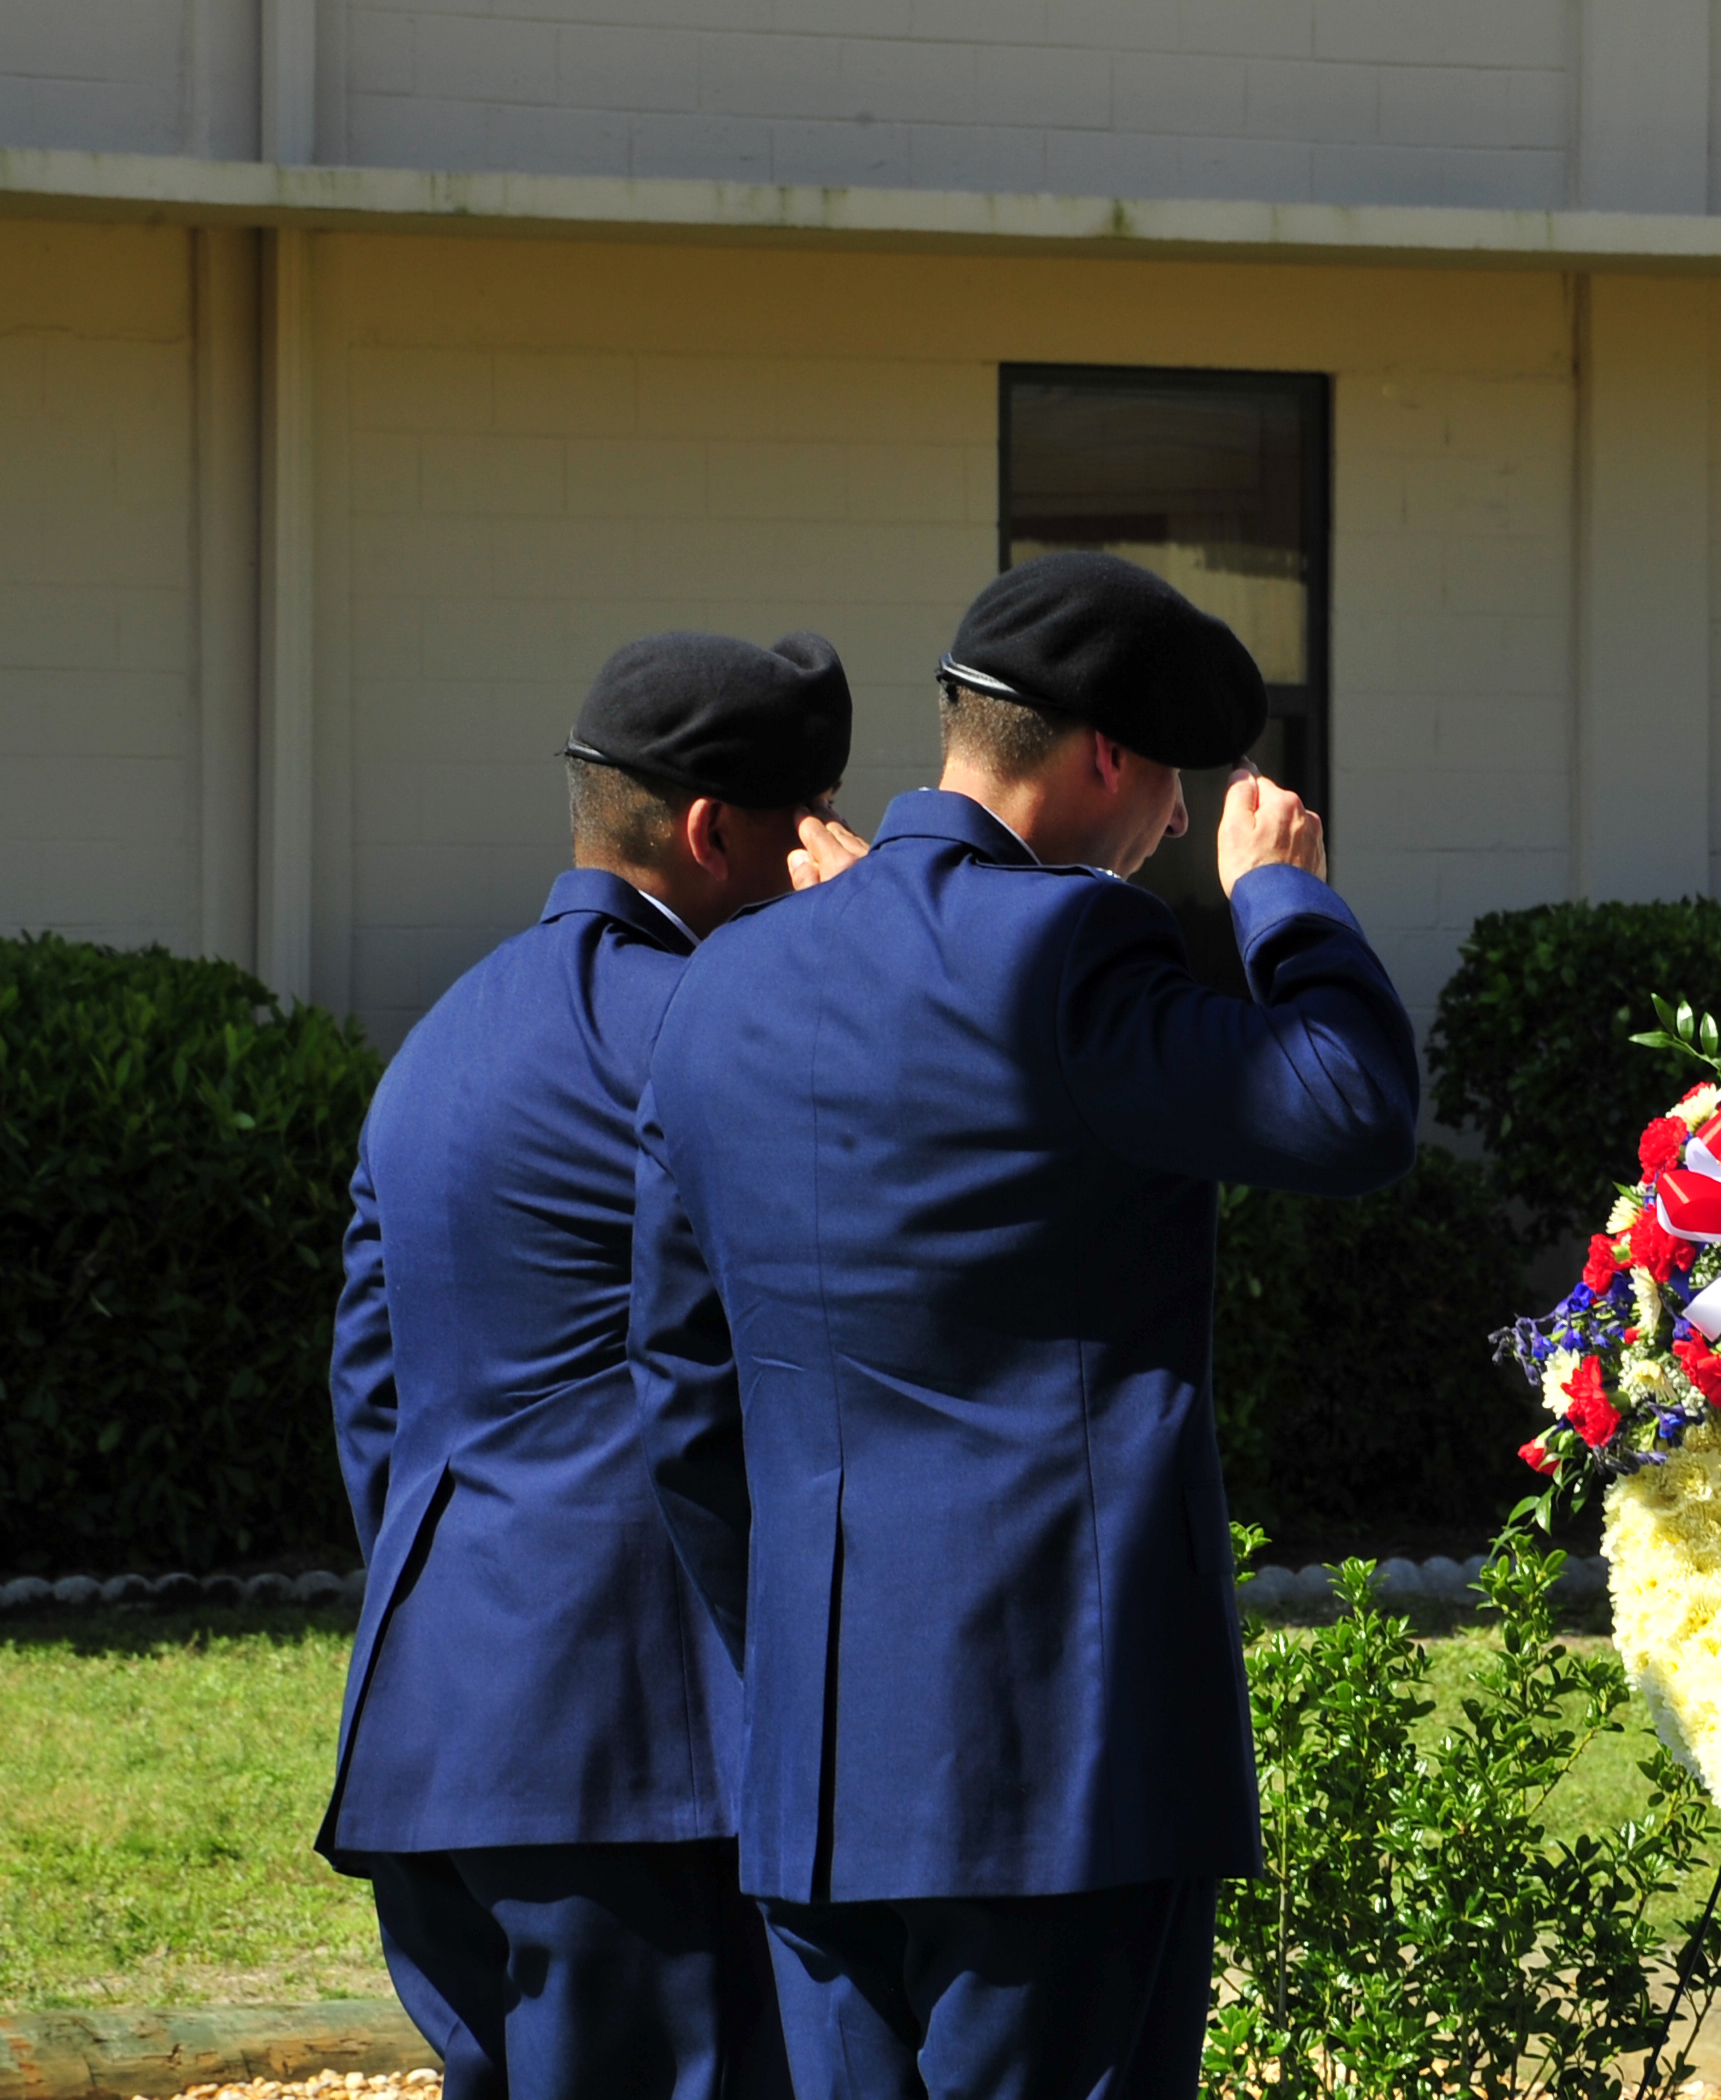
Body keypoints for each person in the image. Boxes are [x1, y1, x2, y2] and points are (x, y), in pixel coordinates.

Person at [631, 552, 1419, 2100]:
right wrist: (1287, 908)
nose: (1183, 822)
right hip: (1063, 1747)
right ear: (1106, 757)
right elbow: (1350, 1108)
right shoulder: (1075, 949)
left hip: (821, 1757)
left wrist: (794, 1648)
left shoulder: (721, 987)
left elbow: (682, 1393)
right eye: (1175, 783)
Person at [324, 631, 869, 2100]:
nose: (816, 859)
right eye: (800, 825)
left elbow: (373, 1395)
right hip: (643, 1750)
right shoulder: (718, 1028)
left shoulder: (433, 1044)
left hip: (439, 1727)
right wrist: (874, 947)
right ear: (709, 833)